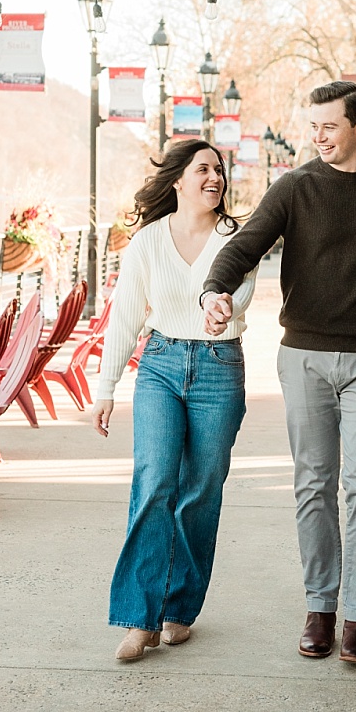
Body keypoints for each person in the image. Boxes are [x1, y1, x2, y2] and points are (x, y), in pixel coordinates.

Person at [201, 80, 356, 667]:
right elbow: (243, 248)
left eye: (329, 127)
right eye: (313, 127)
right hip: (304, 358)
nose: (318, 137)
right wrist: (214, 289)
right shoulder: (294, 187)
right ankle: (320, 607)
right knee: (314, 484)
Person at [93, 139, 257, 662]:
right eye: (203, 169)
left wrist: (223, 307)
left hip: (218, 366)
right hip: (160, 365)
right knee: (154, 484)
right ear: (179, 180)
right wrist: (105, 388)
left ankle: (179, 609)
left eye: (219, 170)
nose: (215, 178)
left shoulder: (237, 238)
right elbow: (125, 316)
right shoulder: (147, 242)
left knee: (201, 491)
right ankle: (138, 620)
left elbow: (239, 294)